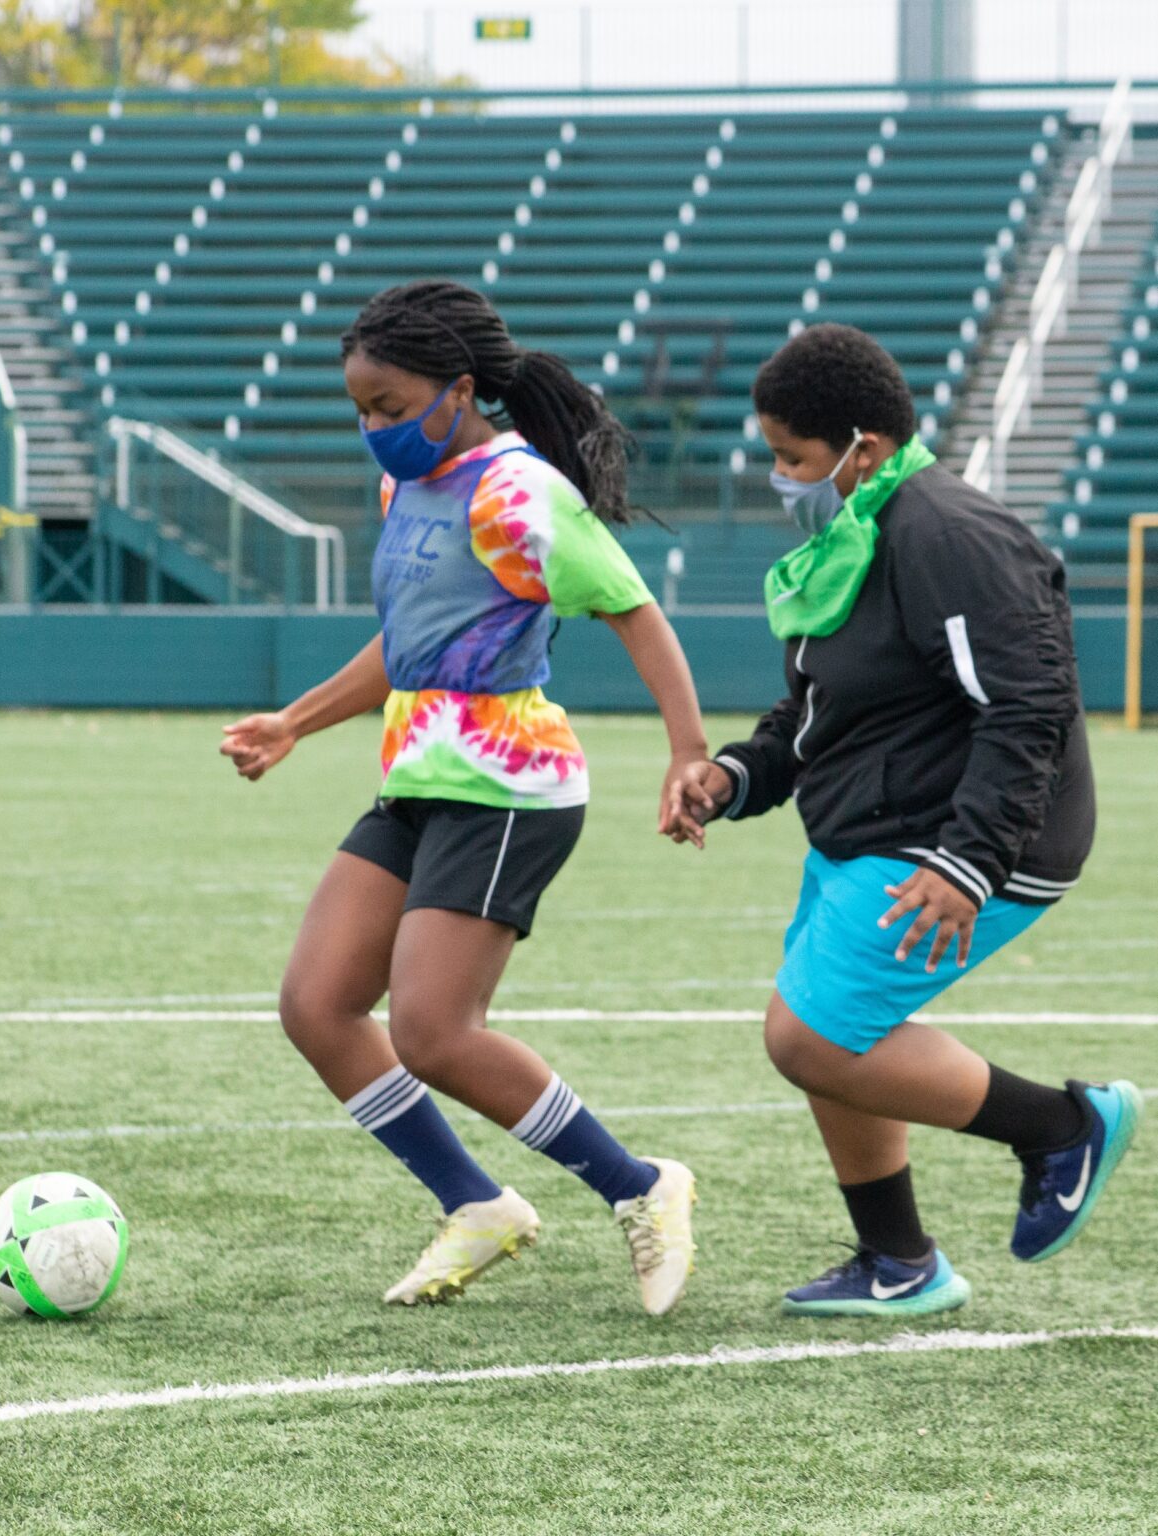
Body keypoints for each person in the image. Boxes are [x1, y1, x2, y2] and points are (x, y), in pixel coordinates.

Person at [221, 280, 706, 1315]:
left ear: (460, 390)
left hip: (508, 786)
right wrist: (294, 724)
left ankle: (641, 1188)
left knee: (434, 1030)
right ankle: (475, 1204)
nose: (373, 429)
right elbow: (405, 645)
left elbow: (634, 610)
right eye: (360, 410)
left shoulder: (519, 492)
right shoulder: (412, 489)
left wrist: (687, 754)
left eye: (389, 406)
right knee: (317, 1006)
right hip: (418, 777)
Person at [668, 322, 1141, 1317]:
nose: (776, 478)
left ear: (862, 451)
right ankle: (898, 1261)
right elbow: (813, 715)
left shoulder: (944, 532)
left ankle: (1060, 1129)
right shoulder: (849, 537)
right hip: (875, 827)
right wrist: (732, 776)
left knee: (809, 1036)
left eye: (789, 459)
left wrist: (966, 861)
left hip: (976, 840)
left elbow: (1029, 706)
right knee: (831, 1021)